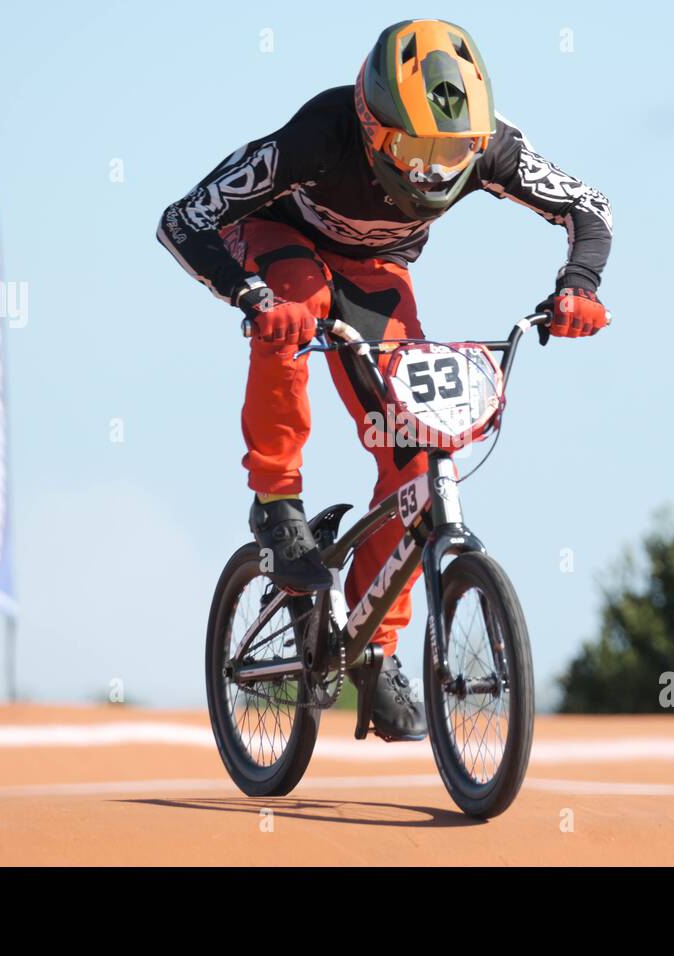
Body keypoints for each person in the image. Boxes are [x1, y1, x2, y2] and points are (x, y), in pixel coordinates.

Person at [157, 19, 612, 741]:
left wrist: (578, 285)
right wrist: (249, 297)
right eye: (410, 150)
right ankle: (275, 501)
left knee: (414, 456)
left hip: (375, 275)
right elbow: (184, 220)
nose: (431, 173)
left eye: (450, 155)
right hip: (281, 243)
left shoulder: (493, 145)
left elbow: (588, 207)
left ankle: (375, 649)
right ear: (370, 123)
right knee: (298, 302)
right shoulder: (317, 136)